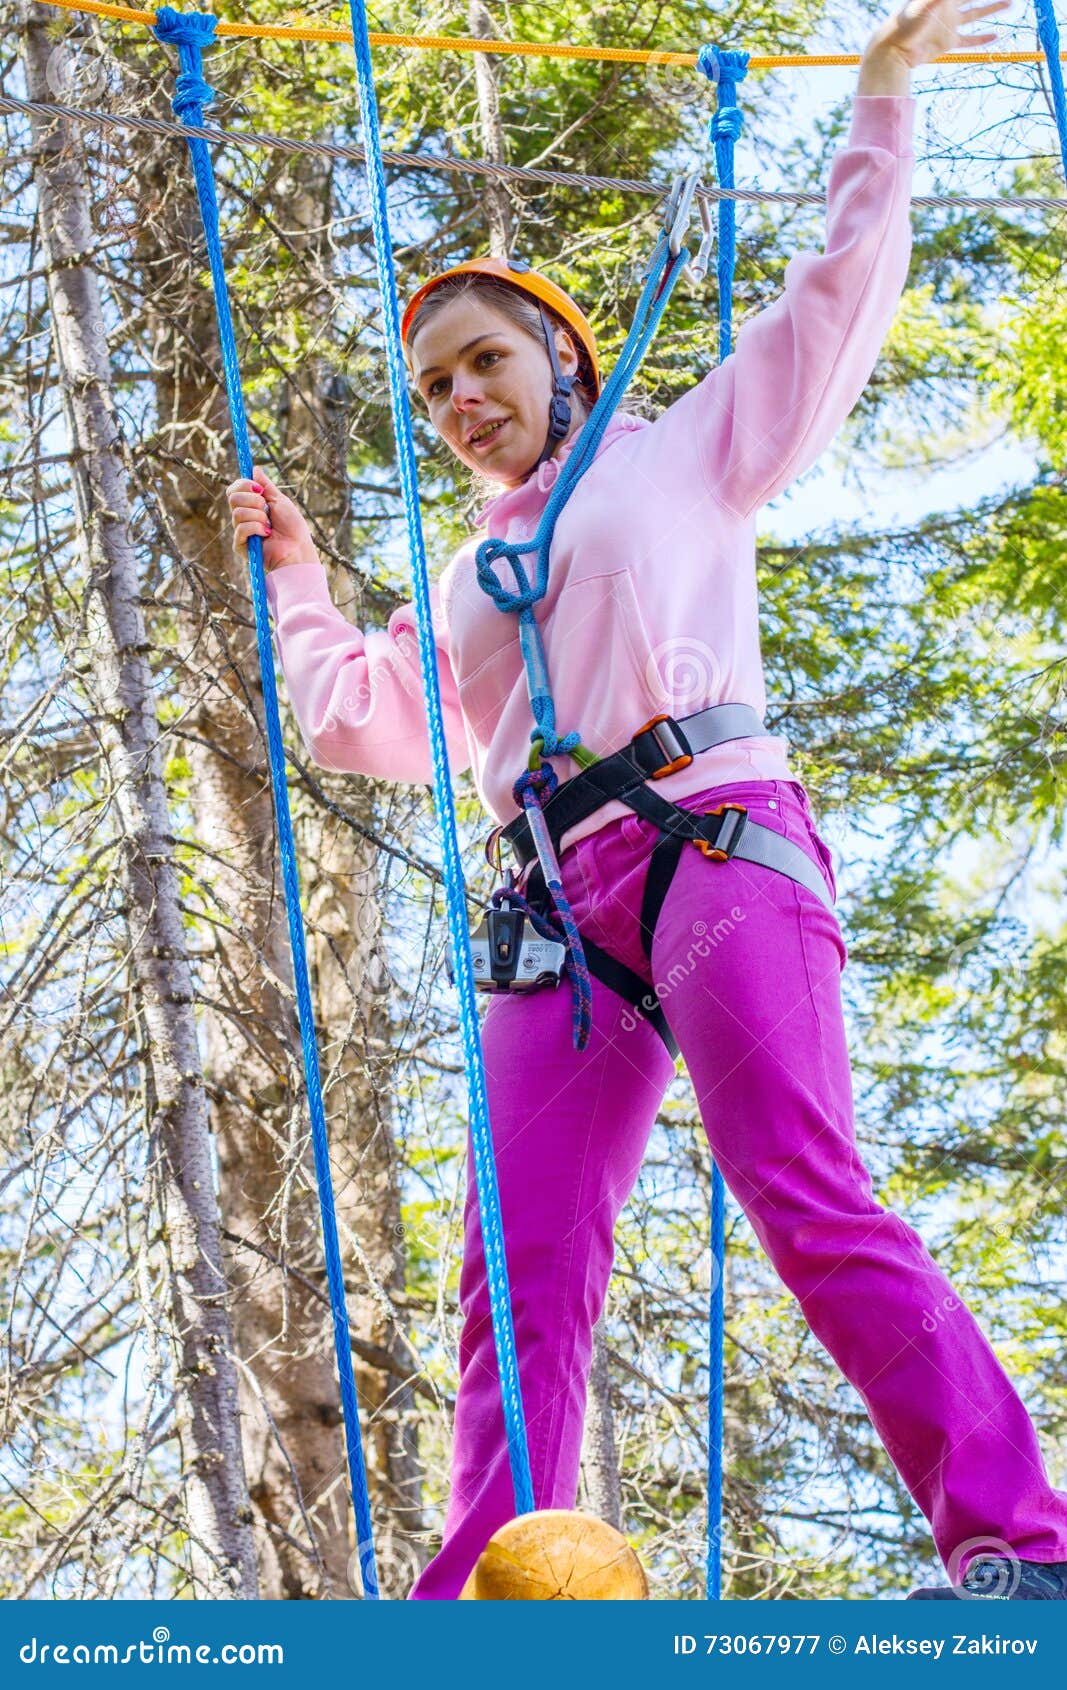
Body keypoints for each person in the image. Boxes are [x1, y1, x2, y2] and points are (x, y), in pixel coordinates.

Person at [227, 0, 1067, 1602]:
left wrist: (881, 103)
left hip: (716, 847)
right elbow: (363, 717)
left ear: (561, 360)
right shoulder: (464, 579)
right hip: (562, 914)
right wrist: (302, 580)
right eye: (435, 388)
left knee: (803, 1185)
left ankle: (1023, 1539)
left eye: (485, 361)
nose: (462, 398)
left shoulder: (679, 456)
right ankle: (493, 1585)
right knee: (516, 1268)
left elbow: (834, 309)